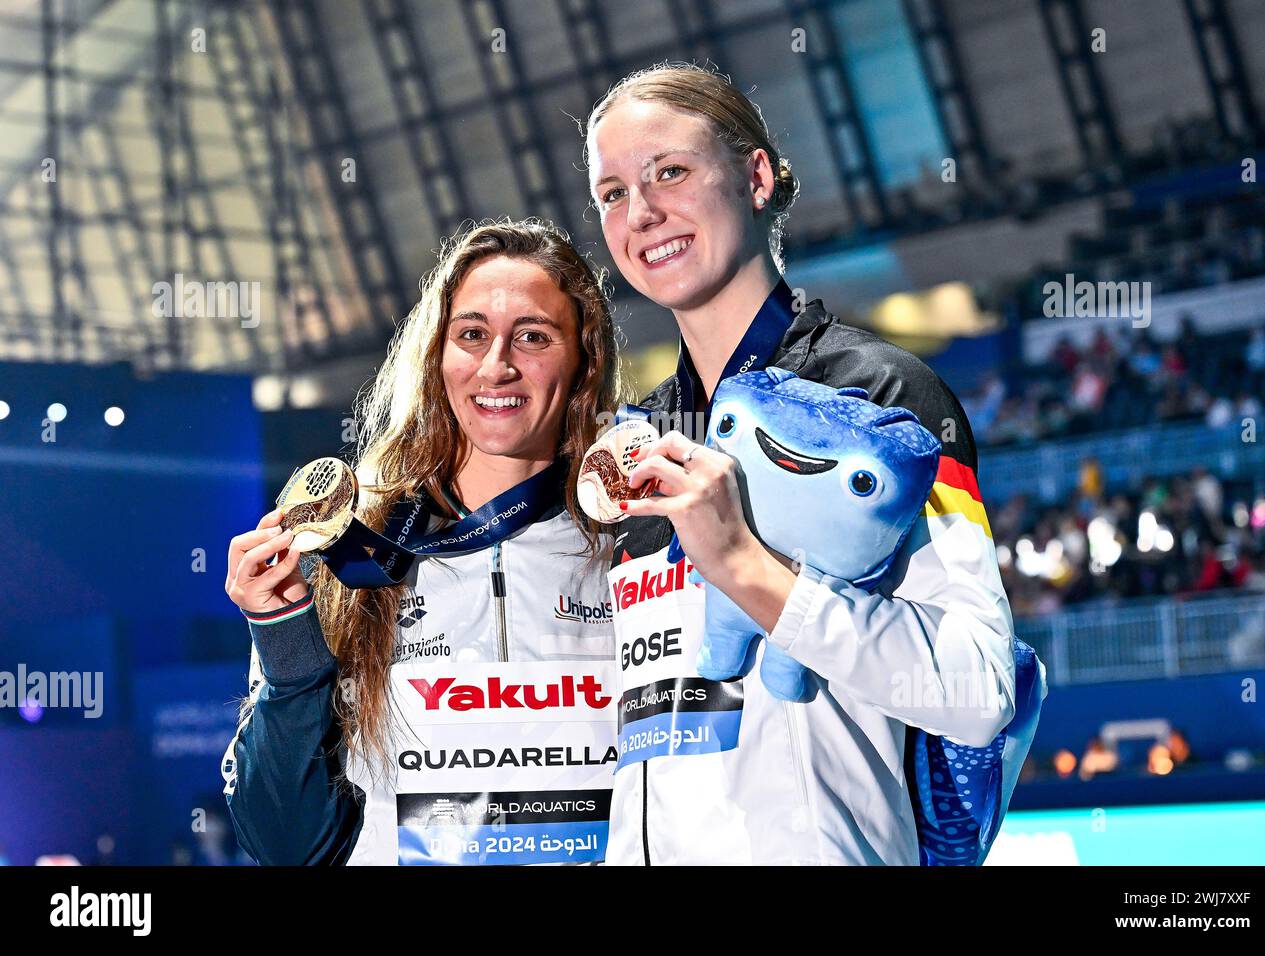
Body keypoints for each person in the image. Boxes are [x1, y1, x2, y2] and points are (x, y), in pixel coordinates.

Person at [584, 64, 1026, 865]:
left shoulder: (885, 395)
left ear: (755, 177)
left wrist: (748, 569)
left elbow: (977, 692)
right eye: (612, 193)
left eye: (669, 173)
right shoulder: (631, 442)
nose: (641, 212)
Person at [221, 220, 622, 865]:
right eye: (472, 335)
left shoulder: (639, 544)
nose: (498, 365)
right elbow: (287, 846)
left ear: (584, 359)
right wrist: (286, 642)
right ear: (438, 356)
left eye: (533, 337)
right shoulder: (349, 556)